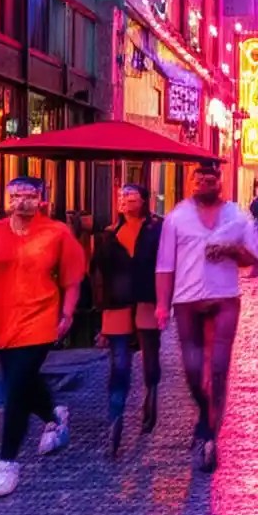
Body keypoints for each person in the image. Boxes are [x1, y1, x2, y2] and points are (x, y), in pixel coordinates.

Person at [0, 177, 86, 499]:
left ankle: (6, 464)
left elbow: (72, 278)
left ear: (40, 199)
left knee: (15, 386)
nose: (21, 202)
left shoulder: (56, 233)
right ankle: (54, 416)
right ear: (8, 198)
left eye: (29, 196)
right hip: (0, 323)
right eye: (16, 196)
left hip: (40, 321)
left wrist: (67, 313)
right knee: (22, 382)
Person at [155, 164, 258, 473]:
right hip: (186, 300)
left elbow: (255, 258)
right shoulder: (176, 218)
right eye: (197, 180)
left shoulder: (237, 217)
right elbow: (164, 265)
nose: (203, 184)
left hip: (225, 297)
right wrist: (162, 304)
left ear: (219, 183)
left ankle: (210, 434)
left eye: (209, 180)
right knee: (191, 367)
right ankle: (204, 414)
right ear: (190, 183)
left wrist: (231, 250)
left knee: (218, 367)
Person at [91, 184, 163, 457]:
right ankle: (116, 416)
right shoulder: (109, 235)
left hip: (147, 301)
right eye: (121, 196)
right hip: (117, 305)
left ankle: (151, 391)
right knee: (119, 364)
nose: (124, 201)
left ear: (143, 201)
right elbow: (98, 275)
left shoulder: (157, 230)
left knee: (149, 357)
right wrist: (100, 312)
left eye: (130, 197)